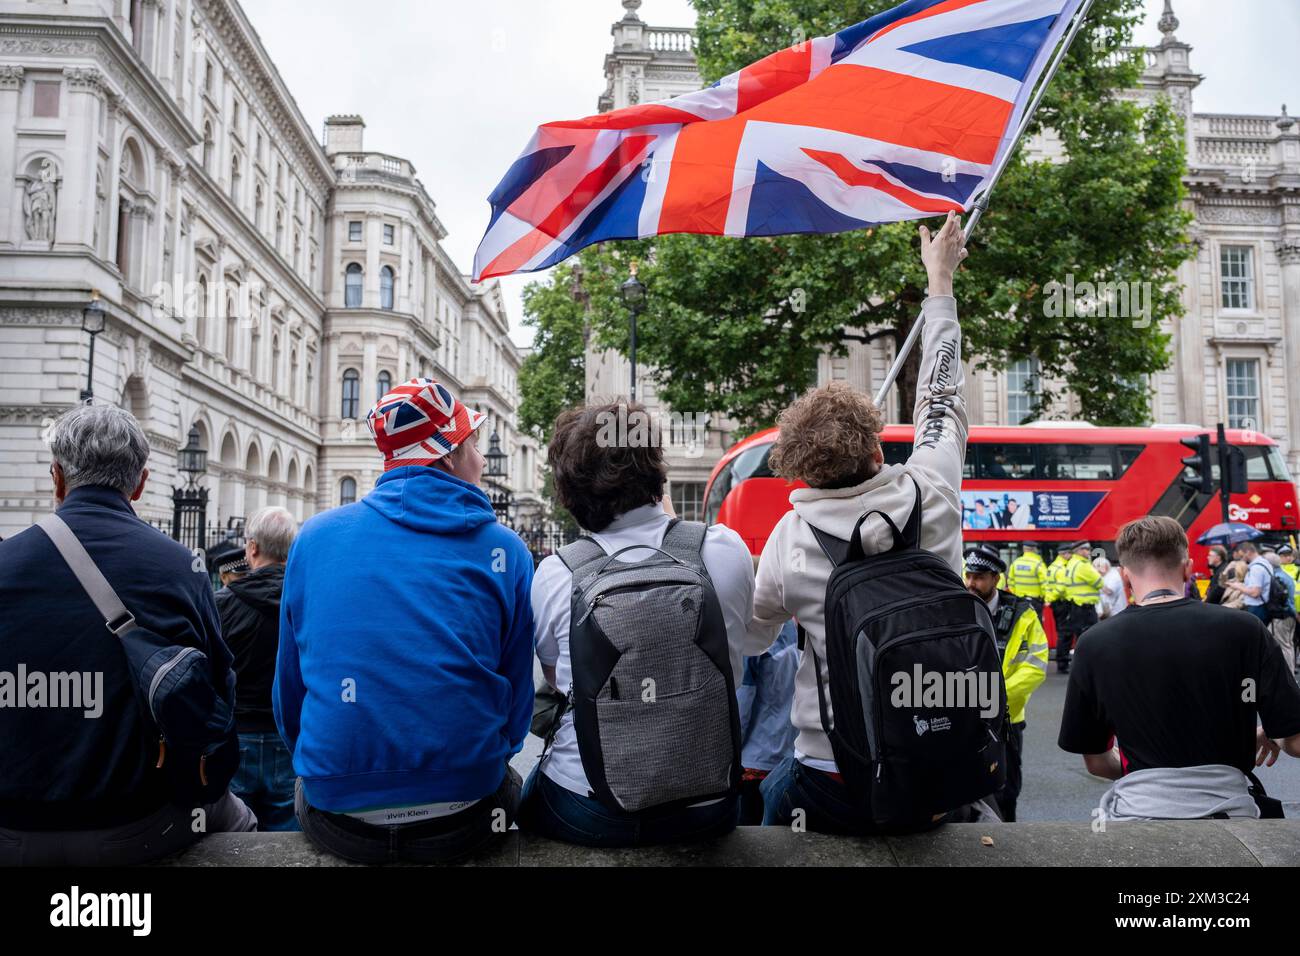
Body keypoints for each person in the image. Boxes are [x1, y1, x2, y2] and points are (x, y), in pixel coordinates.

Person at [748, 211, 988, 833]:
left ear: (801, 473)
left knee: (769, 802)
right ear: (880, 451)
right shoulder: (932, 486)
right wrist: (941, 285)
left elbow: (751, 636)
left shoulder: (789, 539)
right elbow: (942, 399)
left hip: (832, 772)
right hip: (935, 760)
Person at [274, 378, 534, 864]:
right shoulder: (505, 551)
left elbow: (289, 696)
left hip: (338, 814)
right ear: (448, 456)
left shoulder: (314, 540)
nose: (481, 459)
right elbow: (517, 703)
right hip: (466, 811)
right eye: (473, 443)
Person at [0, 404, 254, 865]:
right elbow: (217, 696)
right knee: (243, 826)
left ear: (57, 478)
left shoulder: (6, 562)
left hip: (12, 824)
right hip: (135, 822)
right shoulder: (181, 567)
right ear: (140, 483)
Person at [519, 399, 755, 846]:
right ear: (656, 469)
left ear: (570, 488)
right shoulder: (725, 550)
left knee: (527, 799)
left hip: (592, 806)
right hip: (708, 805)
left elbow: (556, 676)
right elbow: (745, 647)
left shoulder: (559, 573)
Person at [1060, 516, 1300, 821]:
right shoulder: (1245, 630)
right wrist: (1275, 733)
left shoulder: (1094, 643)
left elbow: (1096, 761)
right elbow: (1295, 741)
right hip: (1230, 817)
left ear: (1124, 574)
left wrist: (1153, 769)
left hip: (1137, 817)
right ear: (1187, 568)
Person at [217, 505, 299, 831]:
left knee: (233, 842)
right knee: (290, 845)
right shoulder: (306, 601)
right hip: (289, 734)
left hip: (238, 735)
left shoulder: (222, 603)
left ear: (252, 548)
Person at [963, 545, 1049, 822]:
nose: (971, 583)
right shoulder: (958, 605)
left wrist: (994, 701)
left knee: (1006, 790)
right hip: (964, 715)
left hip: (1006, 721)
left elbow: (1034, 666)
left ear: (996, 579)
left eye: (979, 577)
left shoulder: (1023, 613)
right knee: (963, 790)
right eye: (969, 575)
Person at [737, 620, 799, 825]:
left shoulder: (753, 640)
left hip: (752, 763)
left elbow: (742, 708)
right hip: (787, 764)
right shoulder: (798, 635)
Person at [1054, 541, 1102, 674]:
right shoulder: (1083, 566)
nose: (1089, 551)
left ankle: (1072, 664)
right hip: (1084, 607)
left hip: (1074, 605)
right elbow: (1099, 582)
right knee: (1089, 636)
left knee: (1074, 636)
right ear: (1079, 550)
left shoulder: (1071, 563)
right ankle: (1088, 666)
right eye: (1086, 549)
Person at [1264, 552, 1296, 675]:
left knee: (1284, 646)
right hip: (1290, 615)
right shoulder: (1285, 575)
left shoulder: (1276, 577)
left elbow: (1279, 601)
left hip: (1281, 617)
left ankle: (1289, 676)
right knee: (1289, 644)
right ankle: (1291, 674)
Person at [1227, 540, 1273, 625]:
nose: (1242, 559)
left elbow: (1255, 593)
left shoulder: (1256, 568)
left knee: (1254, 636)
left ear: (1248, 552)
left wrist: (1237, 586)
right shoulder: (1265, 563)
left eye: (1242, 556)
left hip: (1257, 608)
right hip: (1263, 606)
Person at [1007, 542, 1048, 615]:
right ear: (1035, 550)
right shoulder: (1038, 564)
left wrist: (1015, 594)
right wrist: (1046, 598)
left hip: (1019, 600)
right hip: (1035, 601)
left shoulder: (1016, 562)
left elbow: (1010, 582)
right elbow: (1045, 584)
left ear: (1024, 549)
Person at [1096, 556, 1127, 620]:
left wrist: (1096, 582)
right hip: (1106, 612)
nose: (1097, 569)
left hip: (1116, 611)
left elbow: (1109, 591)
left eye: (1099, 566)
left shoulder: (1114, 575)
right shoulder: (1102, 576)